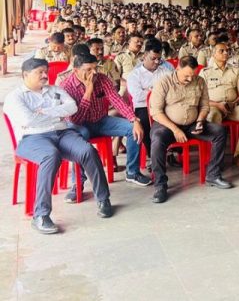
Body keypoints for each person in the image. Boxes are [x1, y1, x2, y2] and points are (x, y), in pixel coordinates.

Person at [4, 58, 113, 234]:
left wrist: (45, 113)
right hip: (32, 138)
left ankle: (103, 199)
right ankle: (40, 215)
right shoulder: (15, 97)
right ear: (25, 75)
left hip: (62, 133)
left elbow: (72, 108)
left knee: (87, 151)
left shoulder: (55, 90)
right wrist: (58, 115)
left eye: (45, 71)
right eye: (40, 72)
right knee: (50, 155)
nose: (45, 75)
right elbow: (28, 120)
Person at [61, 52, 150, 194]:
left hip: (101, 121)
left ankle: (133, 172)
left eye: (95, 68)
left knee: (132, 128)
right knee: (80, 137)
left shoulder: (101, 79)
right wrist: (88, 91)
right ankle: (77, 184)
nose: (94, 72)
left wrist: (133, 119)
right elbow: (75, 119)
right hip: (79, 125)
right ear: (76, 71)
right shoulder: (66, 86)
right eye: (88, 70)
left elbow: (117, 100)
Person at [149, 56, 232, 204]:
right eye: (186, 75)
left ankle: (213, 175)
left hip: (192, 124)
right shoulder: (164, 82)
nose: (189, 79)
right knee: (157, 140)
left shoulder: (199, 81)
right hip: (167, 125)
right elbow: (155, 112)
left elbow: (205, 106)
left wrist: (200, 120)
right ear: (178, 68)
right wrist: (175, 130)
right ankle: (160, 185)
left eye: (192, 75)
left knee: (219, 131)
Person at [200, 41, 239, 169]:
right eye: (221, 51)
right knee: (213, 117)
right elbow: (200, 98)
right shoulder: (205, 72)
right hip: (214, 106)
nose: (226, 53)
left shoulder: (235, 70)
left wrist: (234, 103)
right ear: (213, 54)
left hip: (232, 106)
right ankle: (216, 158)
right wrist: (218, 105)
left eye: (227, 51)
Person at [126, 40, 173, 166]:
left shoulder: (165, 72)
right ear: (145, 55)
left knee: (177, 117)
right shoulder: (134, 75)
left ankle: (171, 151)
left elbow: (173, 91)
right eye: (153, 59)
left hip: (164, 106)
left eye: (159, 59)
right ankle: (153, 156)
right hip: (143, 107)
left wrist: (149, 91)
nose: (157, 62)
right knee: (145, 123)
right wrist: (158, 93)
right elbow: (138, 96)